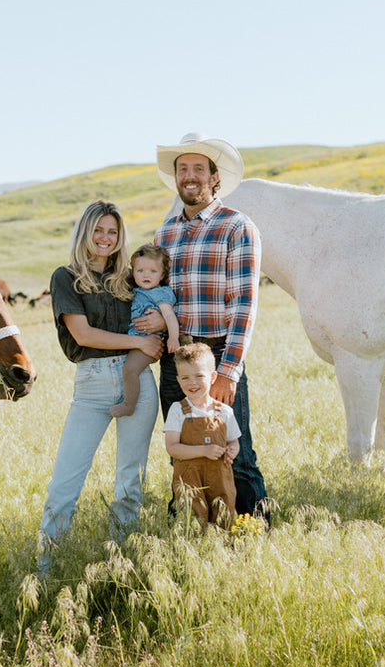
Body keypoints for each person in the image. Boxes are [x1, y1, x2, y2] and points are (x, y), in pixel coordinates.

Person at [133, 131, 269, 522]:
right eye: (182, 169)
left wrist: (228, 371)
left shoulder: (237, 227)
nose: (189, 176)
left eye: (198, 169)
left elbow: (245, 305)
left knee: (233, 450)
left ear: (214, 178)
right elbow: (160, 294)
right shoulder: (165, 234)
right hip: (176, 357)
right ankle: (190, 537)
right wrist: (158, 321)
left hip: (218, 355)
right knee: (183, 446)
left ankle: (253, 533)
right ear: (176, 178)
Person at [38, 200, 162, 569]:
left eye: (113, 232)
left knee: (130, 481)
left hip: (137, 380)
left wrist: (157, 323)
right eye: (98, 230)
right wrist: (139, 341)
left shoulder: (128, 279)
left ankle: (121, 566)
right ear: (85, 232)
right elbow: (83, 333)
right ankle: (44, 571)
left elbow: (153, 311)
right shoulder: (65, 276)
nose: (105, 238)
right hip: (92, 384)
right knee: (64, 485)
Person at [164, 343, 239, 530]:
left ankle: (222, 554)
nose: (192, 383)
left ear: (213, 377)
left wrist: (231, 452)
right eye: (186, 378)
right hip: (190, 478)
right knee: (193, 518)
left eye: (199, 376)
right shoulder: (178, 410)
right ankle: (194, 553)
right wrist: (204, 451)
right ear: (179, 380)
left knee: (223, 515)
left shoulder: (225, 412)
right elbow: (172, 447)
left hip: (220, 477)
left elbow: (234, 442)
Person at [110, 244, 179, 419]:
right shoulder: (137, 291)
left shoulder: (160, 293)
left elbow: (169, 316)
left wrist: (174, 338)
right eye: (140, 270)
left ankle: (129, 405)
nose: (146, 275)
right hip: (137, 340)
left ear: (162, 274)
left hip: (150, 341)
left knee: (130, 370)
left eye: (152, 271)